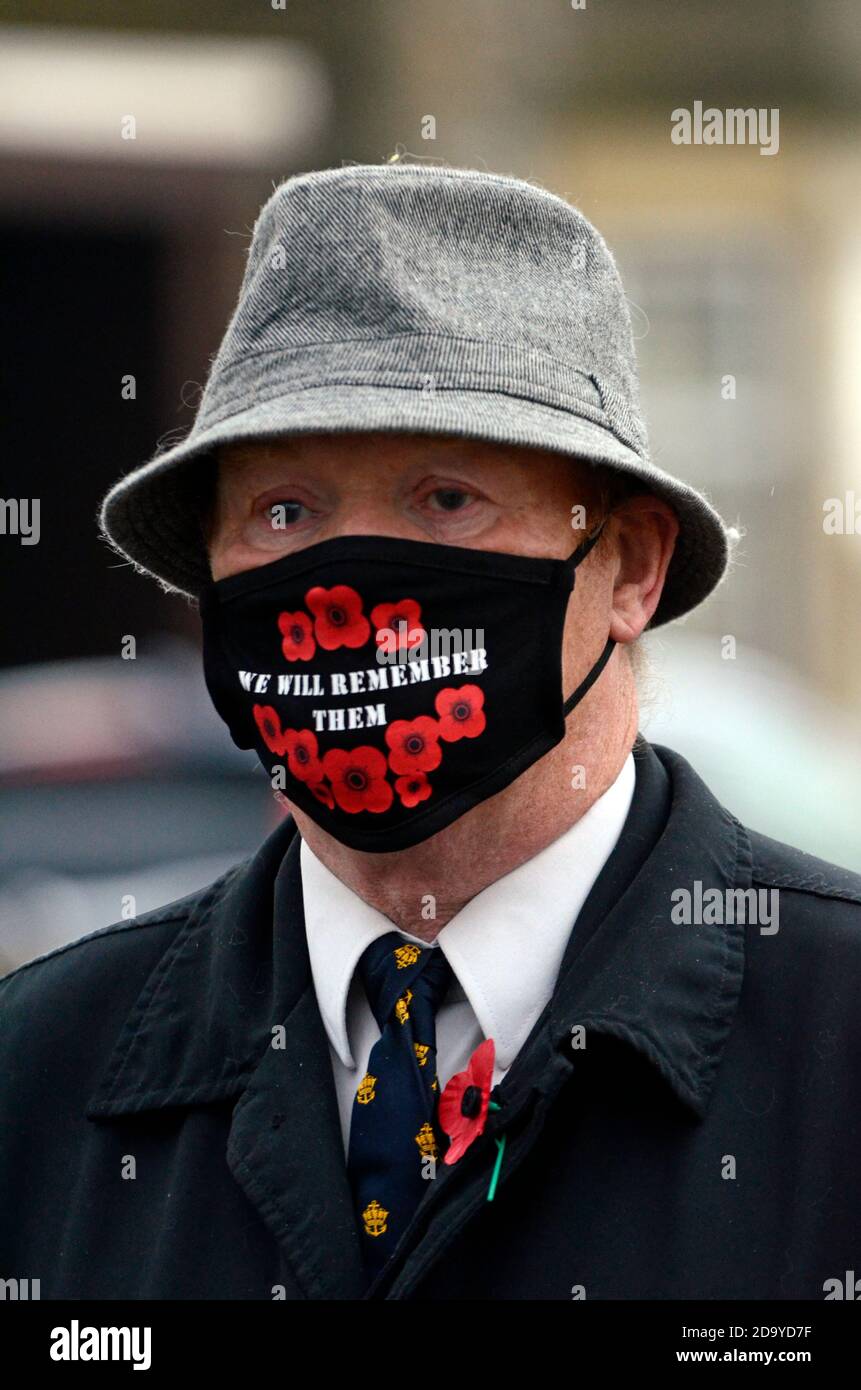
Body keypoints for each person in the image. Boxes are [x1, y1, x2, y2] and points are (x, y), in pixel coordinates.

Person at [2, 161, 860, 1301]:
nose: (345, 584)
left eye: (446, 497)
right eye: (284, 512)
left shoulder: (837, 1046)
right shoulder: (38, 1069)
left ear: (632, 568)